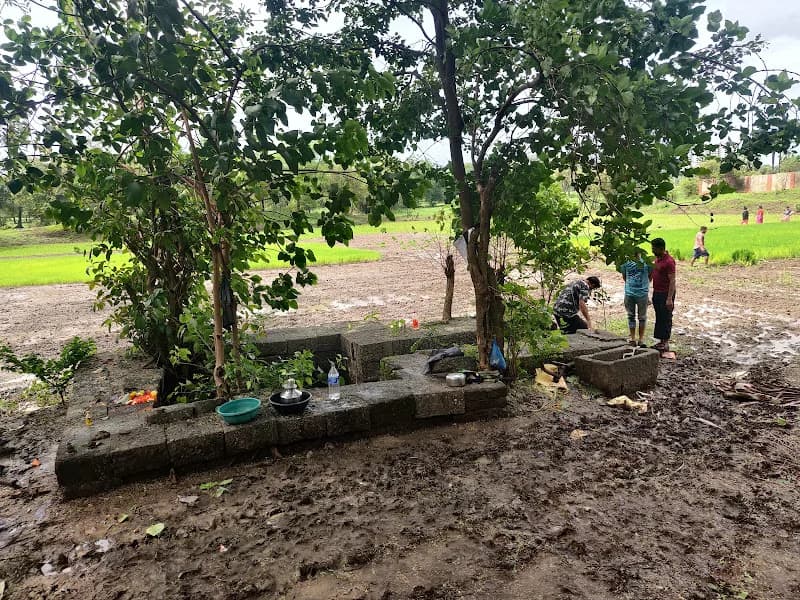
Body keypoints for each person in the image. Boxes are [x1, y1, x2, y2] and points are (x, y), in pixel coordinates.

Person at [618, 253, 652, 347]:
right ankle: (633, 339)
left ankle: (641, 339)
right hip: (630, 293)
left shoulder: (647, 262)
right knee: (631, 316)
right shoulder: (625, 263)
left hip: (642, 294)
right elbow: (624, 276)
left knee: (642, 317)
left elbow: (650, 276)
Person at [651, 238, 676, 352]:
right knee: (659, 316)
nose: (652, 250)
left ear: (661, 248)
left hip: (666, 293)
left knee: (666, 317)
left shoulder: (669, 262)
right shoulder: (657, 259)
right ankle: (661, 341)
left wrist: (669, 298)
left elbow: (672, 280)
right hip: (657, 291)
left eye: (654, 248)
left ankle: (665, 342)